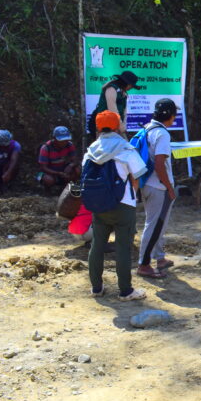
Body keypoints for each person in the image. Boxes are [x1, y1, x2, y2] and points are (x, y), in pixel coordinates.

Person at [83, 110, 147, 301]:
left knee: (97, 245)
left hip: (98, 205)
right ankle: (125, 291)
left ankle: (96, 288)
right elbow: (137, 176)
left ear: (97, 127)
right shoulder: (125, 149)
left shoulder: (91, 151)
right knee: (123, 248)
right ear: (118, 126)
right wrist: (132, 196)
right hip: (123, 205)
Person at [137, 99, 178, 280]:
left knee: (157, 224)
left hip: (148, 184)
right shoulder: (162, 134)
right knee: (153, 226)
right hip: (158, 187)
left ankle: (160, 258)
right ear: (169, 115)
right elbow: (160, 164)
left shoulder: (148, 128)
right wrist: (169, 187)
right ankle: (144, 264)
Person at [88, 70, 140, 139]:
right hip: (105, 128)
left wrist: (123, 127)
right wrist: (121, 128)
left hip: (116, 127)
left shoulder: (123, 93)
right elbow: (113, 111)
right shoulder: (111, 89)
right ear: (126, 83)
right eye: (131, 85)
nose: (131, 88)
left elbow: (124, 112)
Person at [37, 126, 80, 192]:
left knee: (77, 170)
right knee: (48, 180)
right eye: (61, 140)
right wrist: (58, 173)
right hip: (48, 173)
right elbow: (43, 167)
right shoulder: (45, 148)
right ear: (54, 138)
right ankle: (47, 190)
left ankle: (66, 188)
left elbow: (76, 160)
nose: (64, 142)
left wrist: (70, 166)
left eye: (66, 140)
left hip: (63, 172)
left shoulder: (70, 145)